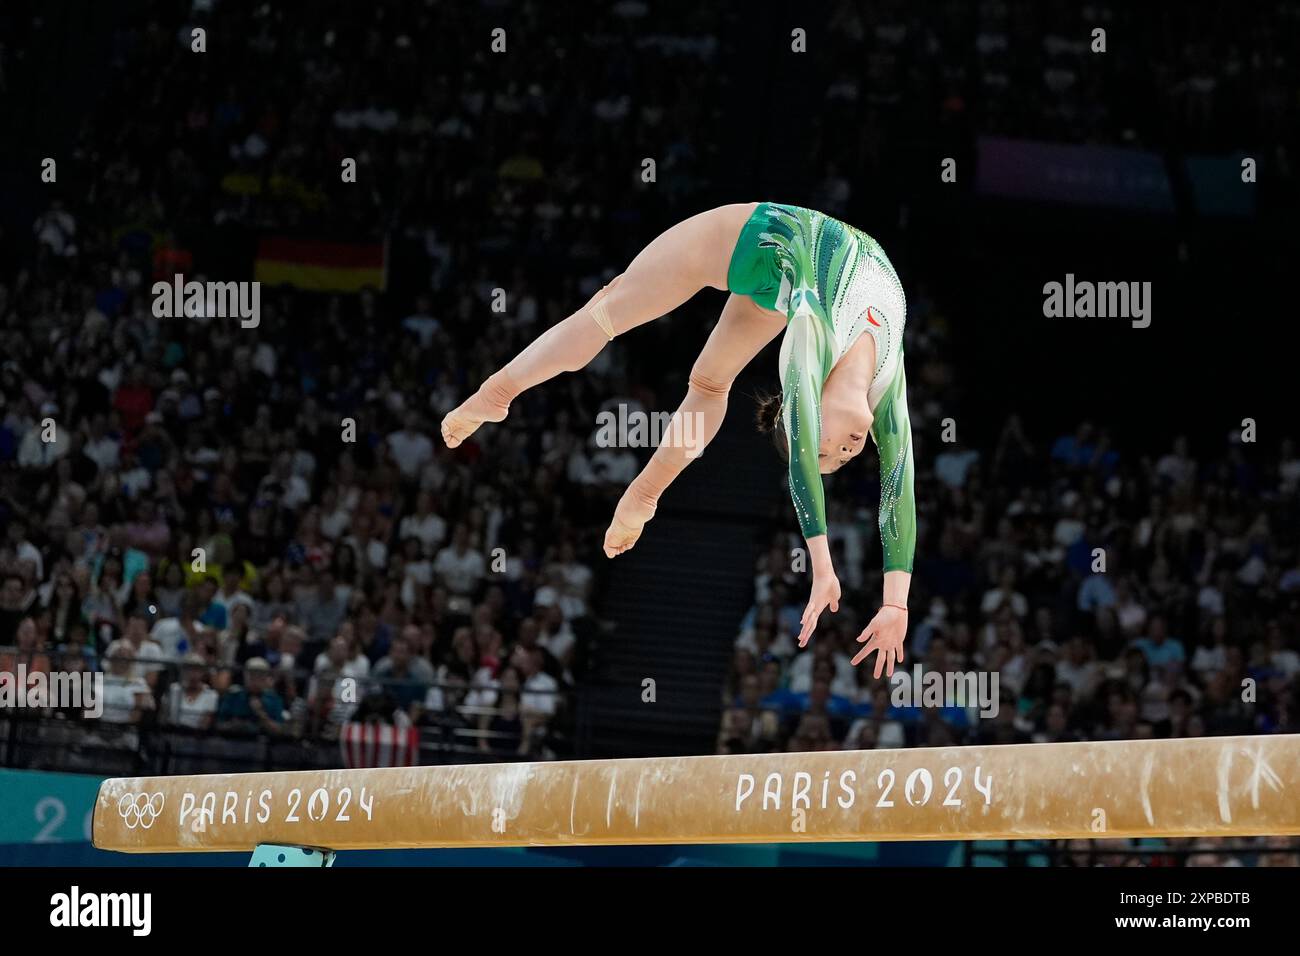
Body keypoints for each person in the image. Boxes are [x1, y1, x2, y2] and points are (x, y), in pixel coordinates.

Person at [442, 202, 914, 674]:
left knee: (704, 381)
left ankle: (643, 488)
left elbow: (854, 478)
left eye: (830, 454)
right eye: (840, 454)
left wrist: (865, 587)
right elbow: (873, 480)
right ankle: (499, 392)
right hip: (748, 239)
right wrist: (859, 585)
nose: (847, 451)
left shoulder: (811, 344)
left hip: (773, 262)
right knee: (608, 312)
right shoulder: (880, 380)